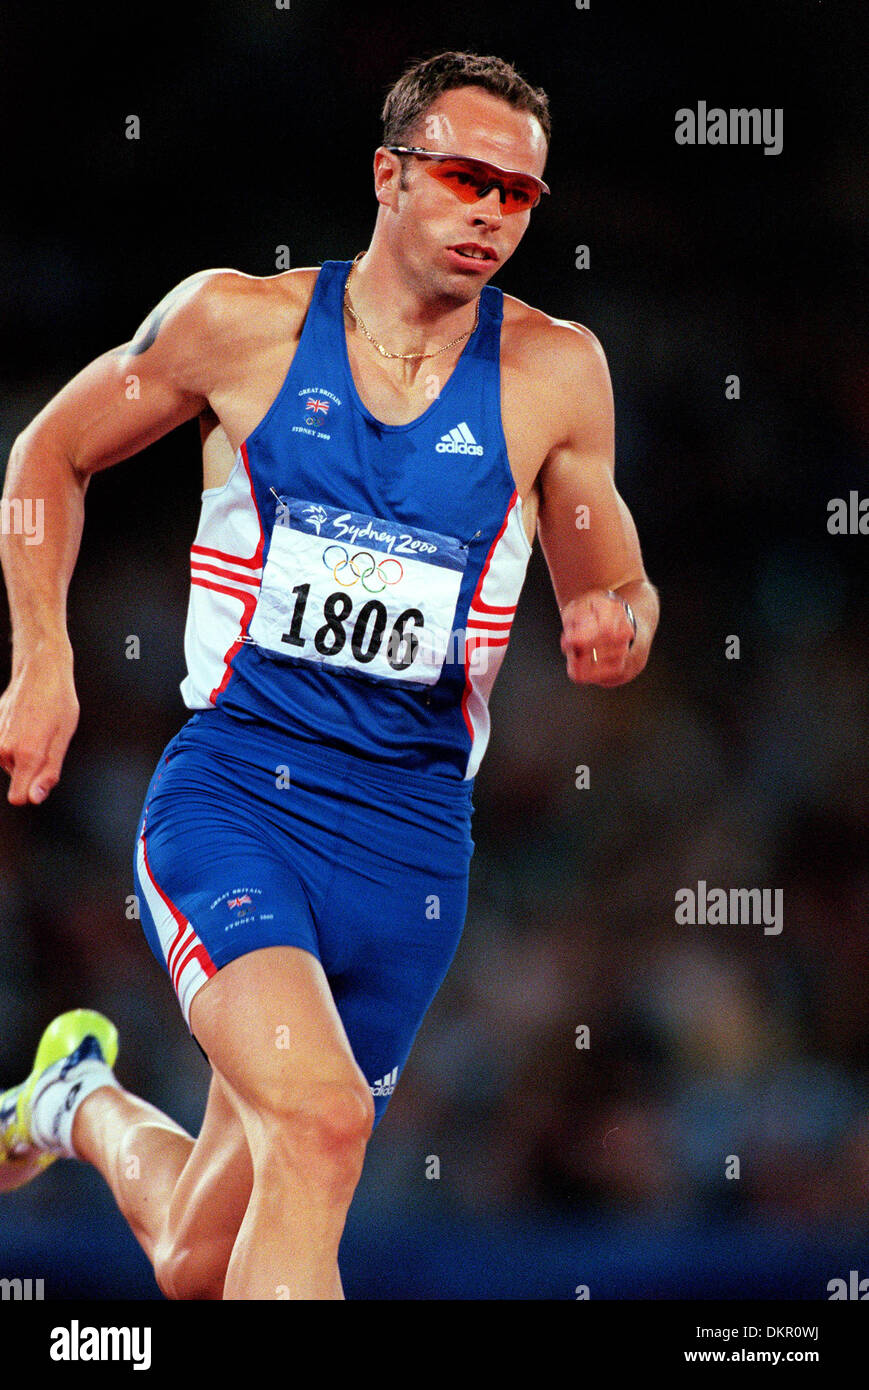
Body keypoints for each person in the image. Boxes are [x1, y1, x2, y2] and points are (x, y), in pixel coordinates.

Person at [0, 51, 659, 1299]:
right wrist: (44, 659)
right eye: (466, 178)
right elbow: (48, 454)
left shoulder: (555, 373)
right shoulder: (237, 324)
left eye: (520, 196)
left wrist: (617, 622)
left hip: (411, 847)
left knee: (198, 1258)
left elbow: (612, 581)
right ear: (388, 173)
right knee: (322, 1125)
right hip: (236, 797)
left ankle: (73, 1101)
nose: (491, 213)